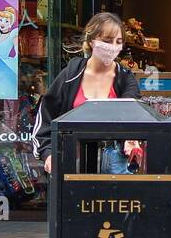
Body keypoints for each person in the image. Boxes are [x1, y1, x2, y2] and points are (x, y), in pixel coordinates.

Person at [33, 12, 142, 175]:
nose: (112, 46)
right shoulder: (70, 75)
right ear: (91, 41)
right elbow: (46, 117)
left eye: (118, 42)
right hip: (72, 161)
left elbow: (133, 113)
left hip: (115, 163)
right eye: (106, 40)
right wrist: (48, 154)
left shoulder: (125, 78)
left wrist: (131, 138)